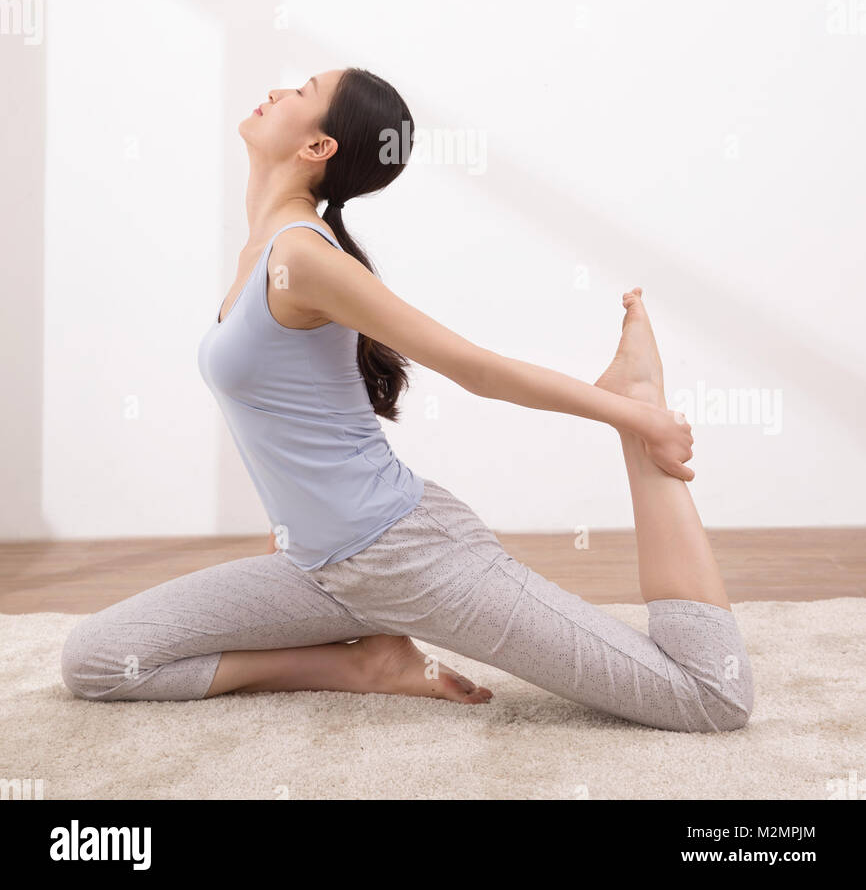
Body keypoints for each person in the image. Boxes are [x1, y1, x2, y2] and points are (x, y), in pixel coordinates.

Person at [61, 67, 753, 731]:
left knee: (709, 698)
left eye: (301, 90)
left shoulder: (303, 257)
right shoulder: (260, 250)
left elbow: (472, 368)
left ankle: (635, 398)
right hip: (314, 569)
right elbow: (289, 412)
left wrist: (636, 417)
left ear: (317, 147)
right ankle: (368, 665)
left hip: (407, 556)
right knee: (95, 662)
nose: (277, 90)